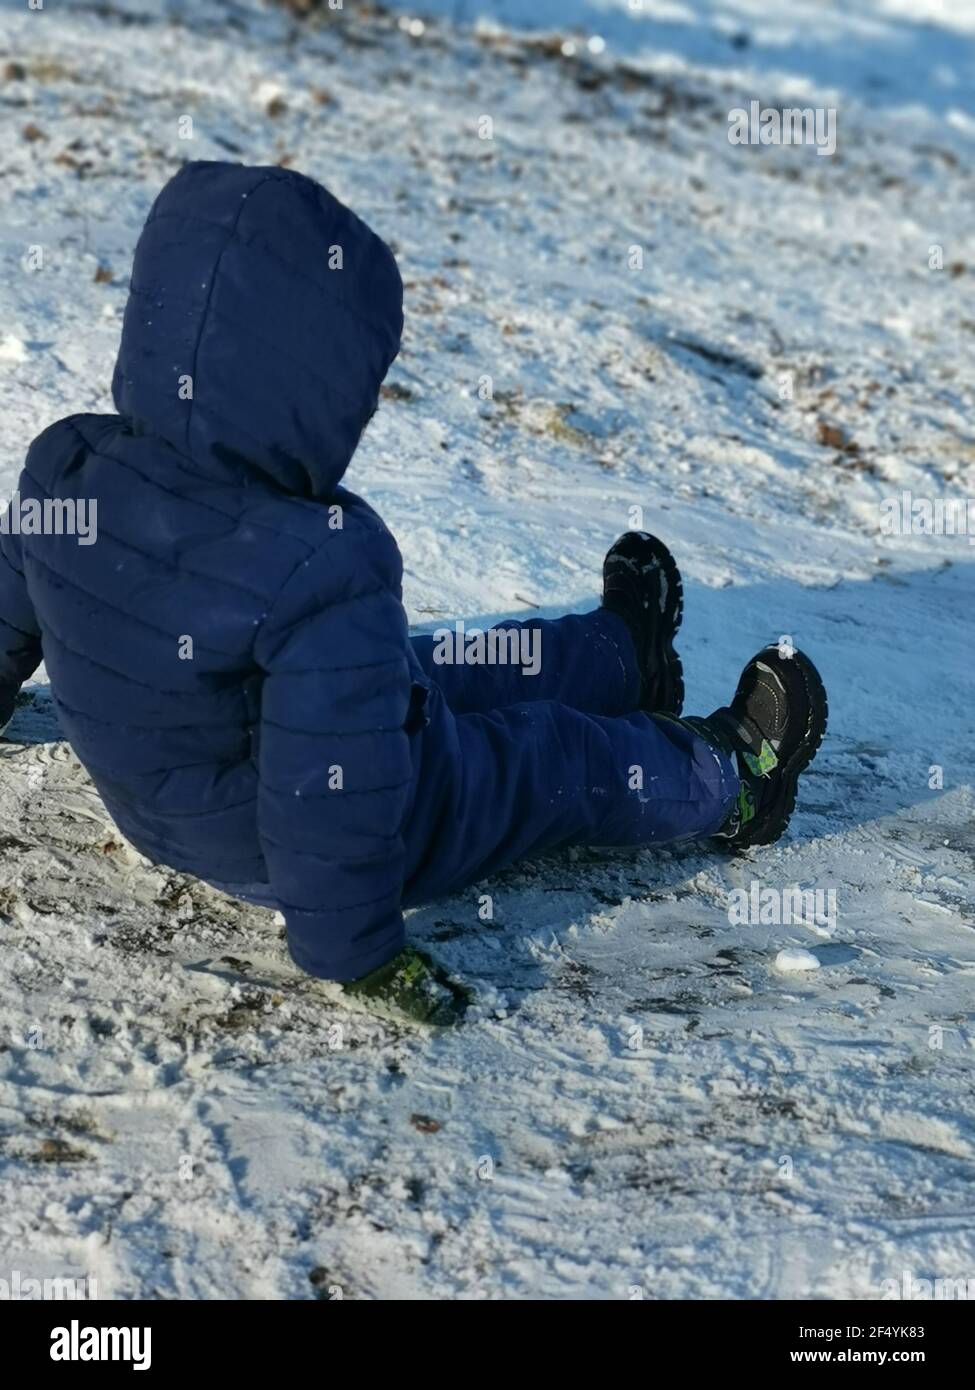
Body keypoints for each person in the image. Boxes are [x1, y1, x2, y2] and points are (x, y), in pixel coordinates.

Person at [0, 161, 826, 1025]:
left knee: (444, 665)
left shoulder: (73, 470)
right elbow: (331, 785)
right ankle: (731, 780)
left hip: (181, 808)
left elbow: (8, 590)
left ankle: (622, 655)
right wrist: (354, 952)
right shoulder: (317, 557)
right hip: (350, 833)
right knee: (553, 755)